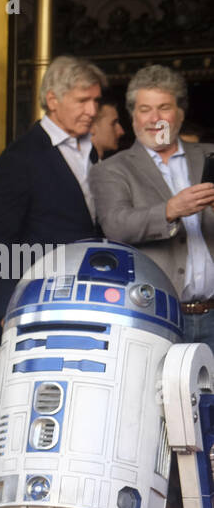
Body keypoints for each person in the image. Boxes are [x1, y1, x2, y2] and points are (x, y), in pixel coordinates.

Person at [91, 65, 214, 350]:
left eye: (164, 107)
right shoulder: (112, 170)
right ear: (133, 116)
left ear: (180, 113)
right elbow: (117, 226)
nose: (155, 118)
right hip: (157, 316)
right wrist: (170, 210)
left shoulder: (210, 155)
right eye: (145, 109)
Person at [0, 55, 105, 321]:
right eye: (83, 101)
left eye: (96, 101)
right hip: (41, 299)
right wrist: (6, 310)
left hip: (90, 296)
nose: (93, 111)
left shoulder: (91, 151)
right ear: (53, 100)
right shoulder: (20, 157)